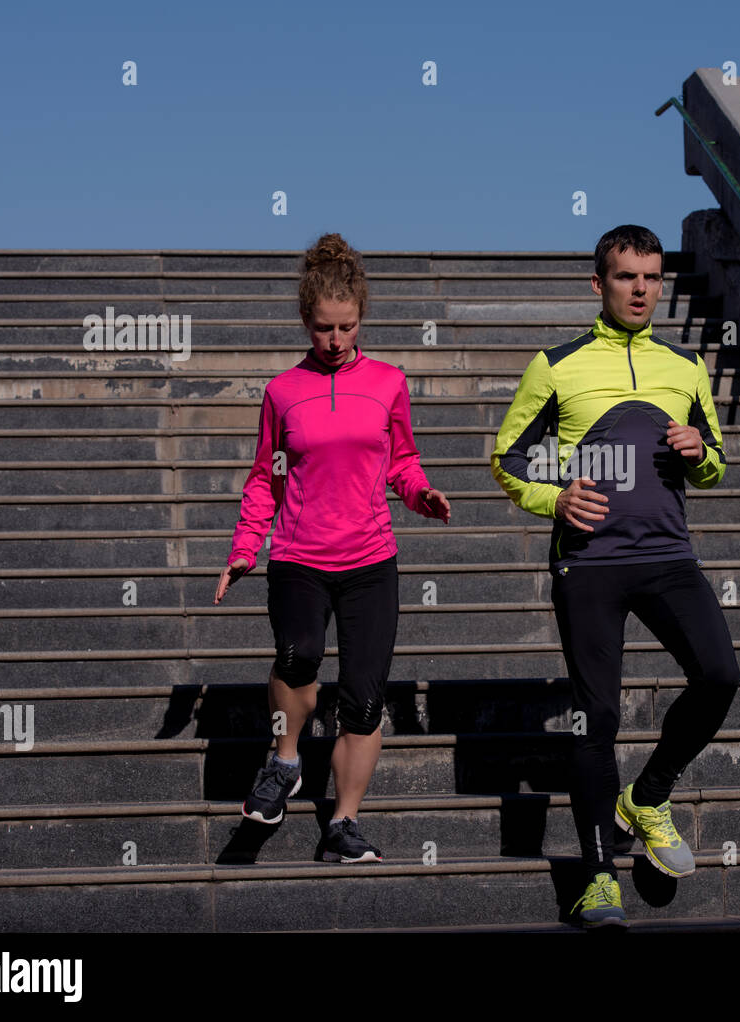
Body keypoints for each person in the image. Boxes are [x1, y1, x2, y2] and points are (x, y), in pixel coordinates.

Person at [491, 224, 740, 927]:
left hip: (668, 556)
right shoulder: (556, 364)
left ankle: (650, 794)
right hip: (589, 562)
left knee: (720, 675)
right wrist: (555, 496)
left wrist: (699, 452)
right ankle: (598, 878)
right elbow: (508, 458)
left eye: (652, 277)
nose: (641, 290)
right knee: (596, 718)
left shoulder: (686, 367)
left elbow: (718, 463)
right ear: (598, 283)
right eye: (627, 276)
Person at [214, 232, 450, 863]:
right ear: (305, 321)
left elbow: (402, 460)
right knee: (298, 657)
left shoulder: (387, 383)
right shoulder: (283, 391)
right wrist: (245, 547)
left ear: (361, 319)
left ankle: (343, 823)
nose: (336, 339)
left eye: (347, 326)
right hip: (298, 555)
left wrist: (419, 492)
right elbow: (267, 475)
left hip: (371, 559)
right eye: (324, 328)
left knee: (365, 698)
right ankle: (285, 758)